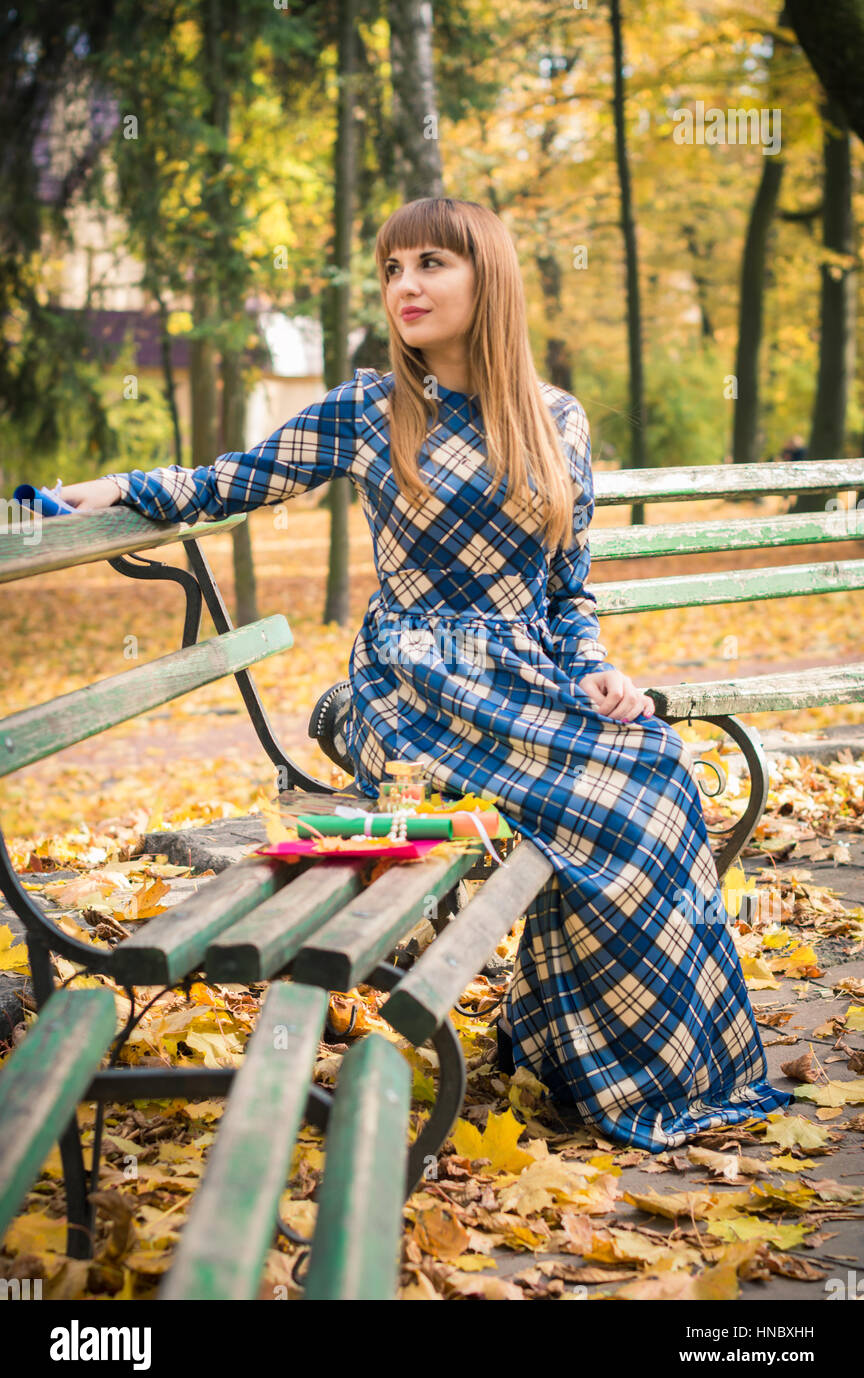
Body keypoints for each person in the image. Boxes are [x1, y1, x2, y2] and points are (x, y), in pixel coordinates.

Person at [61, 196, 791, 1151]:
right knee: (624, 808)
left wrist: (598, 673)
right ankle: (616, 1074)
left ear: (488, 278)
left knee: (659, 774)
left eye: (431, 265)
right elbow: (229, 482)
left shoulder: (557, 421)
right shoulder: (370, 409)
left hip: (526, 680)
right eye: (394, 268)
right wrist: (123, 488)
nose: (406, 286)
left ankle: (605, 1059)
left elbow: (568, 591)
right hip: (413, 691)